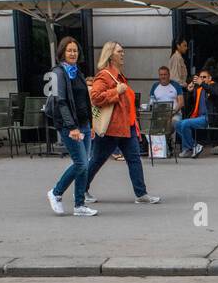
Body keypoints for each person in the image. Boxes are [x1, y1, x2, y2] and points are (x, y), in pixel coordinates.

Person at [86, 41, 161, 205]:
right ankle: (82, 189)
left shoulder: (119, 76)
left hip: (126, 126)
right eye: (120, 51)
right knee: (97, 159)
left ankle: (141, 194)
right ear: (110, 55)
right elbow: (95, 97)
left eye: (123, 51)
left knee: (134, 159)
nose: (123, 54)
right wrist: (116, 91)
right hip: (112, 128)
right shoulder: (105, 75)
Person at [45, 36, 95, 217]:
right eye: (69, 50)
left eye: (75, 50)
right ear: (62, 53)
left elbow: (84, 101)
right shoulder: (58, 72)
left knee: (84, 164)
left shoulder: (77, 72)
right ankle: (56, 192)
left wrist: (91, 124)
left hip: (84, 124)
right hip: (70, 126)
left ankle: (79, 205)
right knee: (81, 163)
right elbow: (61, 102)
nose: (73, 53)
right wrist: (72, 126)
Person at [176, 69, 218, 158]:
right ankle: (191, 147)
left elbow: (217, 93)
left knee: (185, 123)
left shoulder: (214, 86)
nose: (202, 79)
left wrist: (202, 84)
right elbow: (189, 104)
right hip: (198, 116)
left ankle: (192, 147)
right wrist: (190, 92)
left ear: (210, 78)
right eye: (200, 77)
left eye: (204, 77)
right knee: (177, 124)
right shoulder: (198, 89)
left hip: (209, 117)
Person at [148, 65, 185, 136]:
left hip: (175, 115)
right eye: (161, 75)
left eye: (165, 74)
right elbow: (151, 102)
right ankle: (163, 144)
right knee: (154, 127)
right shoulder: (155, 86)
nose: (163, 77)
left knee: (169, 124)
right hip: (160, 115)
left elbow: (181, 103)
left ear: (169, 75)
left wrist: (172, 113)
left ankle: (166, 143)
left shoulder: (176, 85)